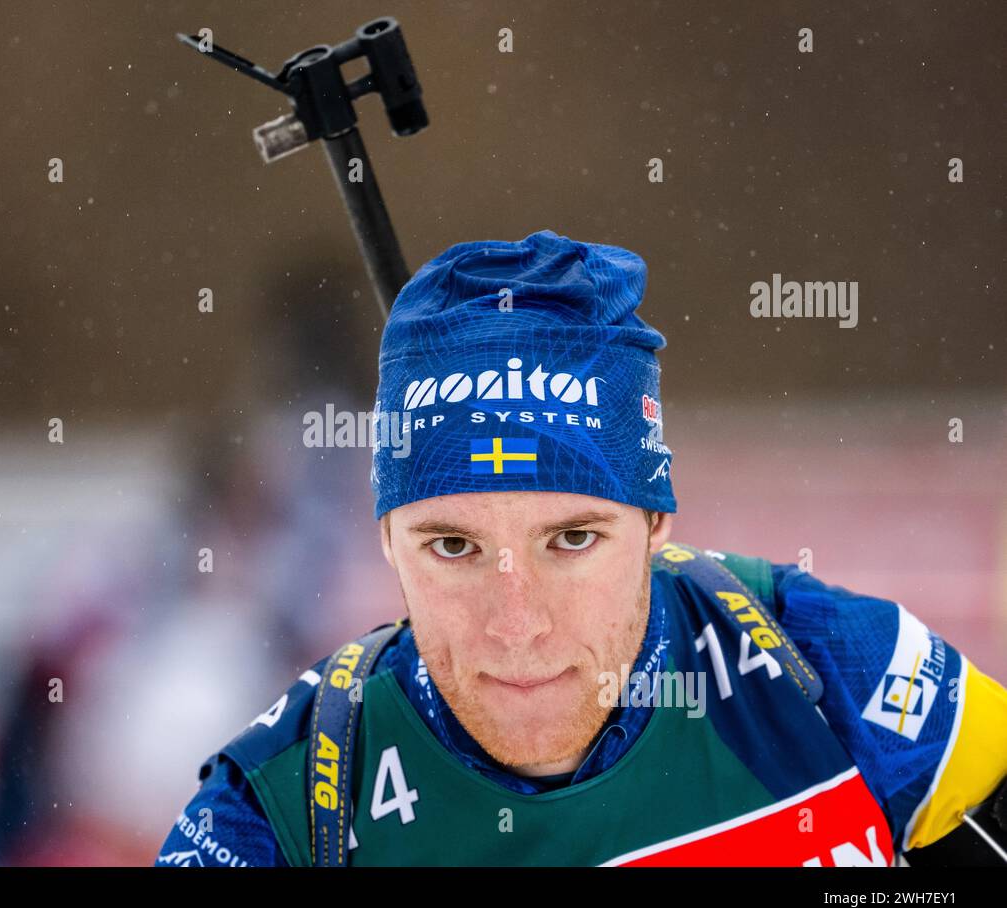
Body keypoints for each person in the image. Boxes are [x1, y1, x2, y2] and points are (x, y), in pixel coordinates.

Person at [154, 229, 1007, 866]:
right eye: (453, 546)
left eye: (571, 539)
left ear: (657, 522)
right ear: (386, 541)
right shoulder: (292, 802)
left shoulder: (822, 668)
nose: (516, 624)